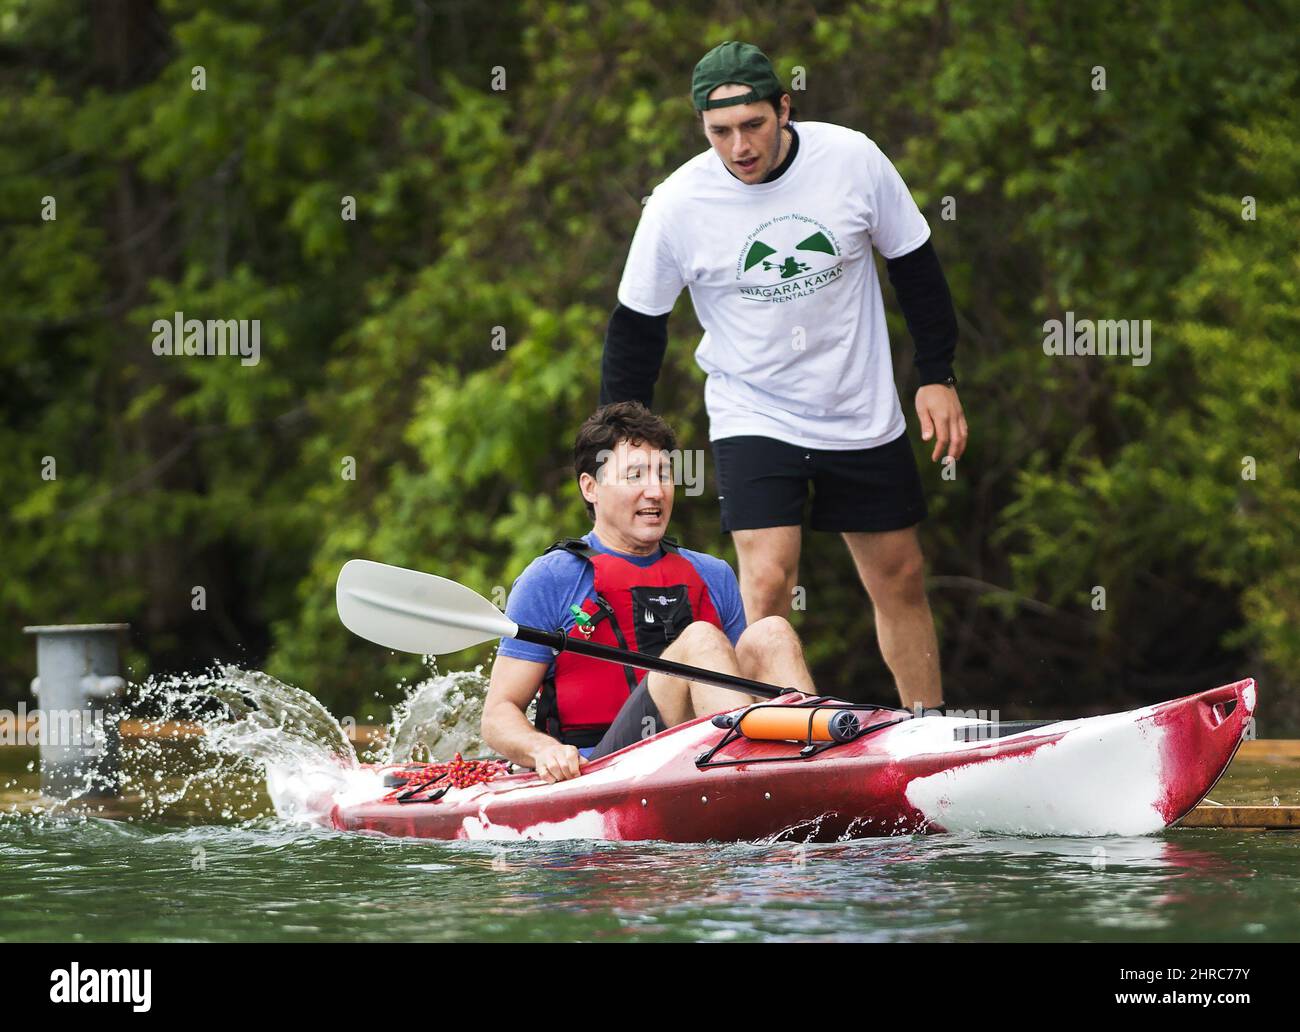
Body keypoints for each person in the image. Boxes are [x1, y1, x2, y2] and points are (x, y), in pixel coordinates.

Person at [600, 41, 967, 710]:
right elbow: (636, 329)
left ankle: (928, 733)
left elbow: (915, 266)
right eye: (720, 132)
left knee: (900, 575)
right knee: (767, 580)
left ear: (784, 108)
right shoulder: (678, 204)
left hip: (857, 404)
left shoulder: (851, 160)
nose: (739, 146)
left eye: (753, 126)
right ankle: (755, 738)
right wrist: (622, 444)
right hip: (753, 409)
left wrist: (936, 375)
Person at [482, 402, 815, 783]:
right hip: (609, 765)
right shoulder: (551, 577)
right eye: (635, 476)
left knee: (771, 631)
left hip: (699, 753)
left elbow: (747, 680)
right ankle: (747, 779)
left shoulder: (712, 574)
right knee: (701, 639)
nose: (655, 491)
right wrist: (542, 749)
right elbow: (498, 713)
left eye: (663, 475)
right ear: (591, 488)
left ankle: (817, 763)